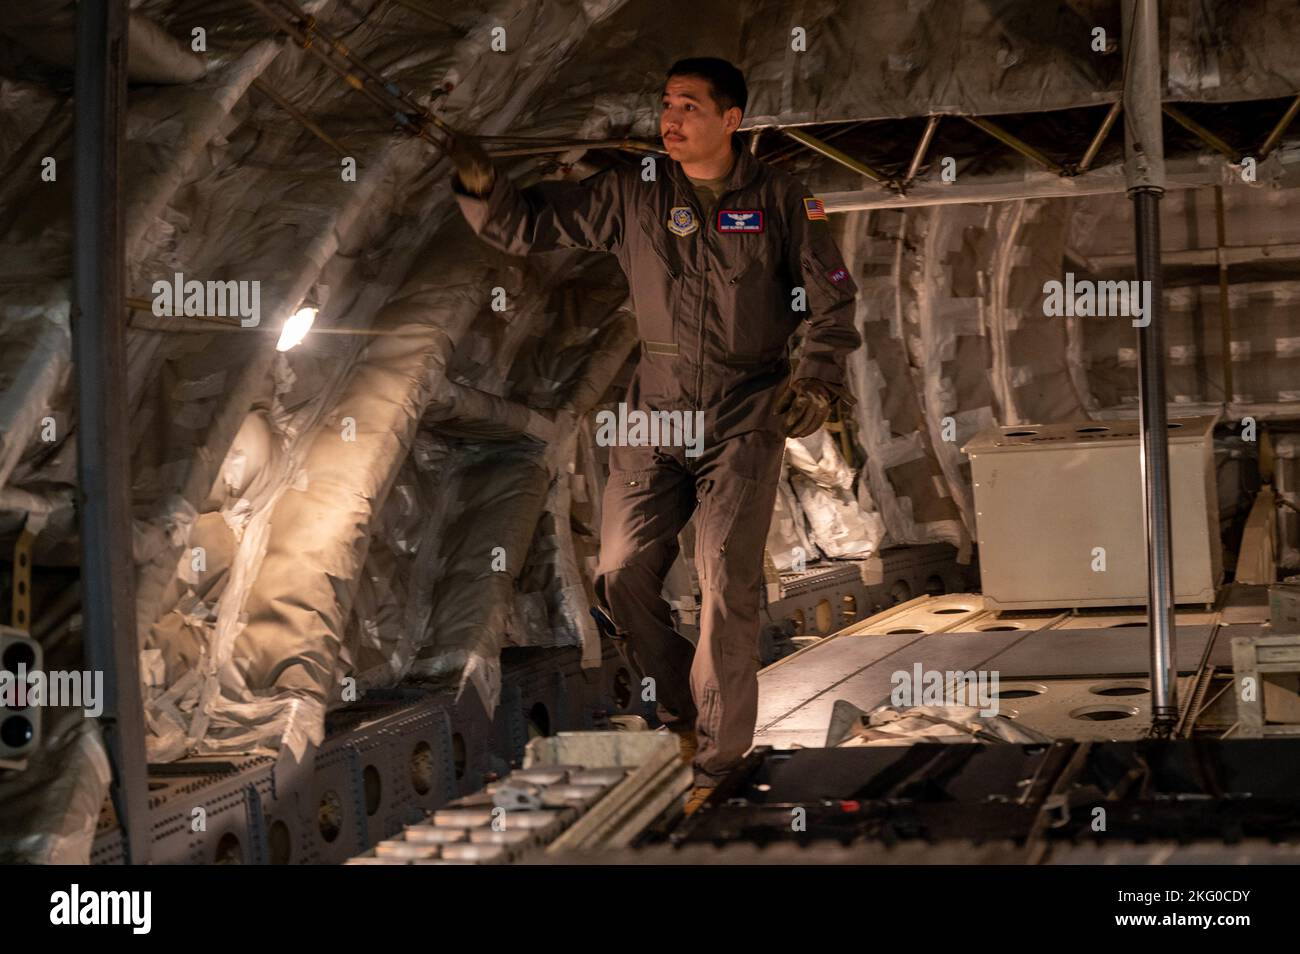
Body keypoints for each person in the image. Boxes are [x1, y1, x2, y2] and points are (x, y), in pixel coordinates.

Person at [449, 57, 860, 815]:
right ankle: (682, 713)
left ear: (731, 119)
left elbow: (831, 304)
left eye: (690, 107)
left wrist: (818, 382)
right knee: (621, 572)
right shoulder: (636, 191)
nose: (671, 119)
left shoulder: (780, 197)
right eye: (666, 104)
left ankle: (718, 759)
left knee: (725, 583)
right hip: (656, 409)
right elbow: (534, 225)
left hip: (745, 408)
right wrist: (482, 189)